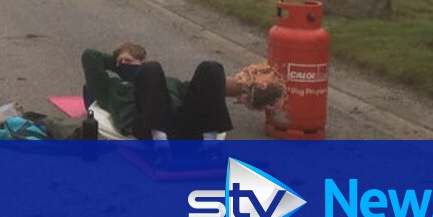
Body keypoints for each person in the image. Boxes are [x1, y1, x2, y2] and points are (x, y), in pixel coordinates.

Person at [81, 42, 283, 143]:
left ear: (139, 61)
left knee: (210, 67)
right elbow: (90, 57)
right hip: (145, 127)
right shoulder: (112, 89)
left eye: (129, 61)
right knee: (152, 69)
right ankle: (160, 145)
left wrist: (247, 87)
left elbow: (206, 91)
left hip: (183, 125)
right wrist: (121, 65)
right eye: (120, 63)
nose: (124, 65)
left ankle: (210, 145)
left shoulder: (166, 81)